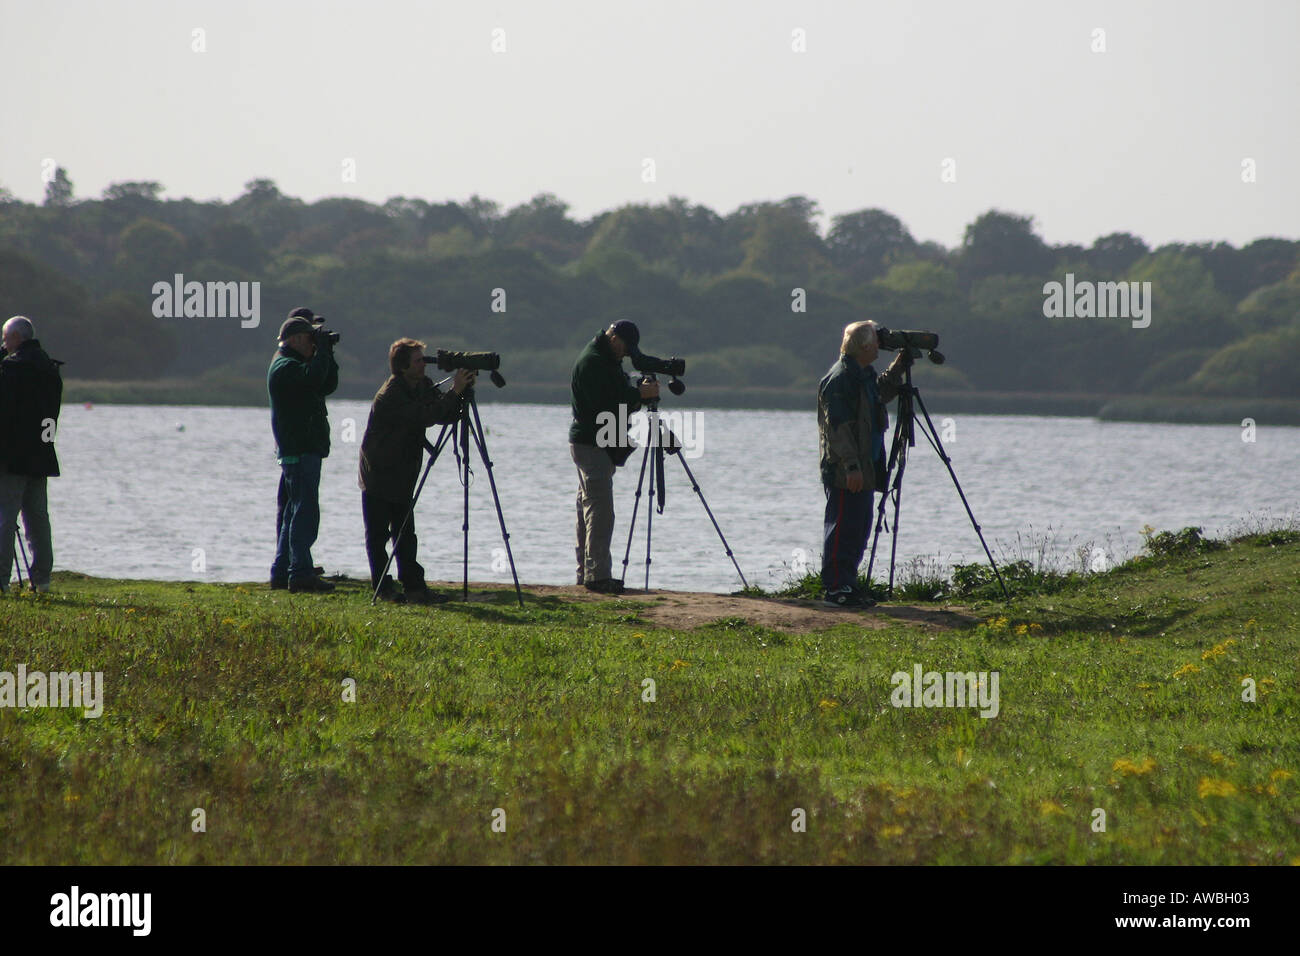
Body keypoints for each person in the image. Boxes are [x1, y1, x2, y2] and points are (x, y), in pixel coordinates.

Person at [359, 339, 474, 603]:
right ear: (402, 366)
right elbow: (425, 416)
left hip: (402, 473)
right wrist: (454, 392)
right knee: (378, 536)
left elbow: (443, 414)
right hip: (378, 473)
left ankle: (414, 587)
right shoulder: (391, 395)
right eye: (418, 361)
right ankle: (384, 589)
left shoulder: (420, 386)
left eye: (423, 359)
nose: (424, 364)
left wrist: (462, 393)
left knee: (406, 534)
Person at [817, 319, 911, 608]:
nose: (879, 348)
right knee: (843, 526)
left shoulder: (861, 374)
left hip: (865, 466)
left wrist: (899, 367)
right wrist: (851, 467)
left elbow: (878, 396)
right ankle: (835, 588)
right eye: (876, 344)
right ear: (865, 347)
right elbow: (838, 428)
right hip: (848, 470)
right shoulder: (841, 378)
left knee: (859, 528)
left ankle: (849, 583)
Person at [569, 320, 659, 594]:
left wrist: (635, 394)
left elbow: (613, 396)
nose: (625, 354)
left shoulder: (602, 358)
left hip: (593, 442)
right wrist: (638, 395)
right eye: (625, 348)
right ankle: (597, 576)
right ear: (614, 338)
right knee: (601, 509)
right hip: (592, 443)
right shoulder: (594, 362)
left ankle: (587, 573)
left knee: (589, 506)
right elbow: (605, 405)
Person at [269, 307, 339, 593]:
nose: (313, 342)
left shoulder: (297, 364)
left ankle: (284, 569)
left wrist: (326, 354)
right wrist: (321, 353)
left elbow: (327, 384)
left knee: (293, 512)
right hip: (299, 449)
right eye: (310, 338)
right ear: (296, 339)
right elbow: (312, 380)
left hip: (303, 448)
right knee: (304, 512)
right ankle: (299, 572)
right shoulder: (286, 367)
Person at [0, 316, 62, 594]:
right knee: (37, 517)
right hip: (41, 453)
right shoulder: (49, 369)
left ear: (17, 339)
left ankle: (1, 580)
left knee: (4, 517)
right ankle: (42, 579)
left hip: (12, 456)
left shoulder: (12, 370)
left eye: (5, 338)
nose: (3, 343)